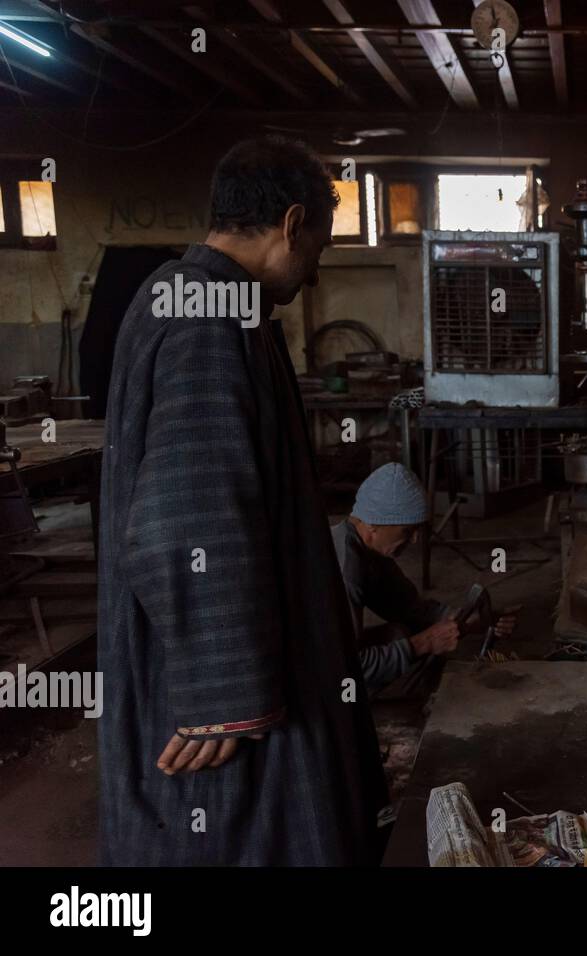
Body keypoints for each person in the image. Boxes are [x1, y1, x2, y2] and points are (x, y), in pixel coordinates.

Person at [97, 137, 388, 866]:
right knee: (241, 825)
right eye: (318, 243)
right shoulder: (205, 320)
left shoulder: (195, 295)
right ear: (292, 224)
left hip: (228, 643)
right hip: (215, 668)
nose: (317, 264)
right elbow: (187, 509)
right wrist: (223, 692)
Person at [332, 463, 516, 693]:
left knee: (399, 634)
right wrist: (425, 642)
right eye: (407, 531)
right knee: (410, 646)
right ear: (372, 524)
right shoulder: (343, 569)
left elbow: (412, 610)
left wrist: (473, 620)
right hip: (301, 678)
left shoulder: (370, 552)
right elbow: (344, 671)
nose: (415, 540)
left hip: (324, 661)